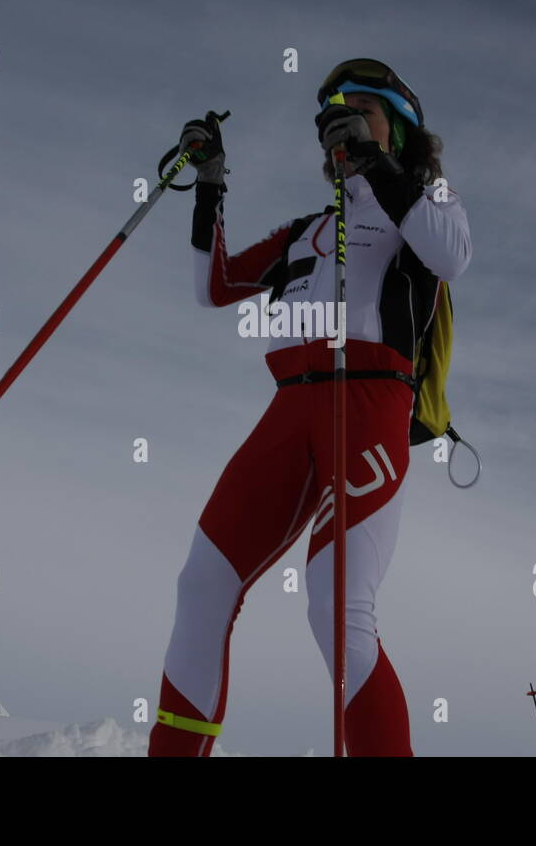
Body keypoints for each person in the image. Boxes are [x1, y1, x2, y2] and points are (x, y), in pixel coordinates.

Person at [147, 59, 471, 756]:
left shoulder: (424, 203)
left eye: (362, 109)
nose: (341, 122)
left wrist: (379, 165)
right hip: (288, 408)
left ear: (402, 130)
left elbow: (451, 254)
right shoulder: (306, 232)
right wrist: (209, 184)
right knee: (202, 583)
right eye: (333, 113)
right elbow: (216, 285)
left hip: (371, 402)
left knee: (336, 605)